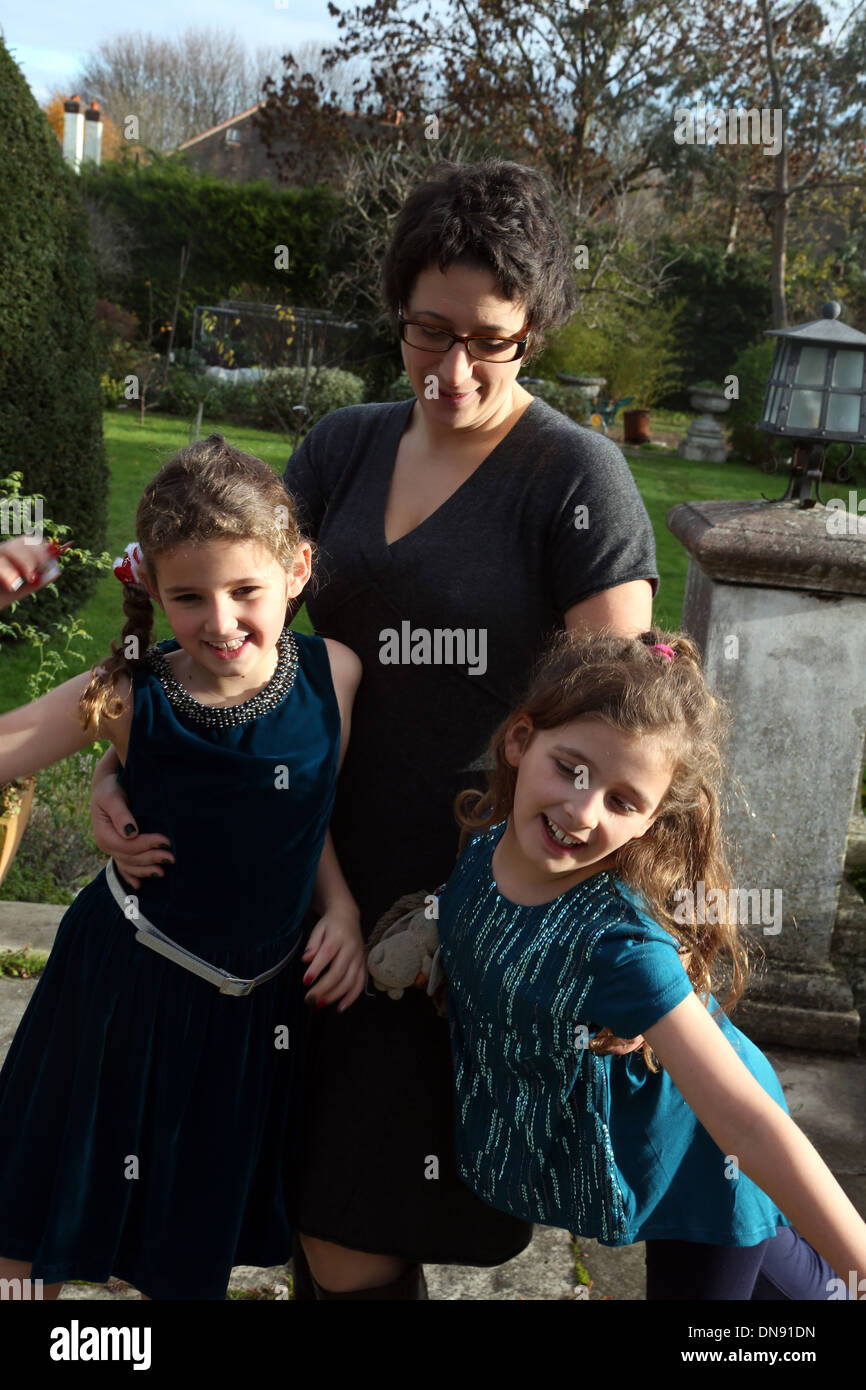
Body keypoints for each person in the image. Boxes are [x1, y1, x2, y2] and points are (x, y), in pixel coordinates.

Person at [88, 157, 659, 1300]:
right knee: (299, 1199)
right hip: (291, 884)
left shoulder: (572, 480)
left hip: (443, 927)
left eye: (486, 340)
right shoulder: (343, 447)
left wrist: (631, 940)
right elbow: (233, 612)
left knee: (353, 1217)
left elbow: (630, 732)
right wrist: (122, 752)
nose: (450, 370)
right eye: (424, 330)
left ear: (533, 329)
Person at [0, 435, 363, 1301]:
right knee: (35, 1205)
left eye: (246, 591)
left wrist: (341, 911)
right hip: (121, 991)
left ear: (299, 570)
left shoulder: (336, 676)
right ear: (151, 590)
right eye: (188, 597)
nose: (221, 621)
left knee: (183, 1237)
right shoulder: (130, 693)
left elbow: (304, 817)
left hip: (250, 1012)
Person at [434, 626, 866, 1299]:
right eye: (571, 768)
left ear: (652, 820)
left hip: (713, 1161)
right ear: (520, 740)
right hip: (659, 1158)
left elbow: (749, 1123)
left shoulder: (620, 948)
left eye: (622, 800)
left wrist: (861, 1259)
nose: (581, 810)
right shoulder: (483, 845)